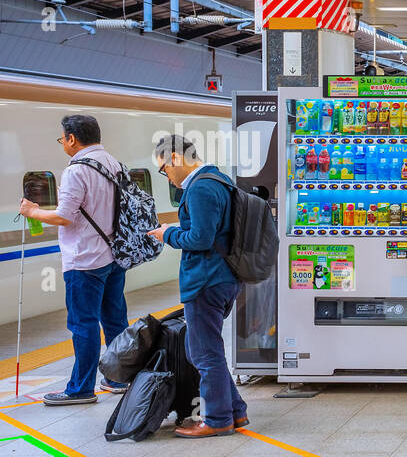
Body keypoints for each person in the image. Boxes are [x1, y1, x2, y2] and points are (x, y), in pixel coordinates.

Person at [17, 115, 129, 405]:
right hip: (114, 256)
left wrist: (33, 212)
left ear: (72, 139)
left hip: (85, 261)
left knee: (84, 324)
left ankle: (80, 388)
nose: (63, 143)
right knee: (115, 320)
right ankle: (119, 378)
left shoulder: (76, 170)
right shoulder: (113, 163)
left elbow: (64, 216)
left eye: (62, 138)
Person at [148, 135, 248, 437]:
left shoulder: (202, 188)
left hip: (206, 279)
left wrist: (167, 235)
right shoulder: (216, 179)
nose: (167, 175)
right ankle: (236, 412)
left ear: (176, 158)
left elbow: (200, 239)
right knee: (205, 349)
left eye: (164, 169)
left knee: (204, 353)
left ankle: (218, 420)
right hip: (220, 276)